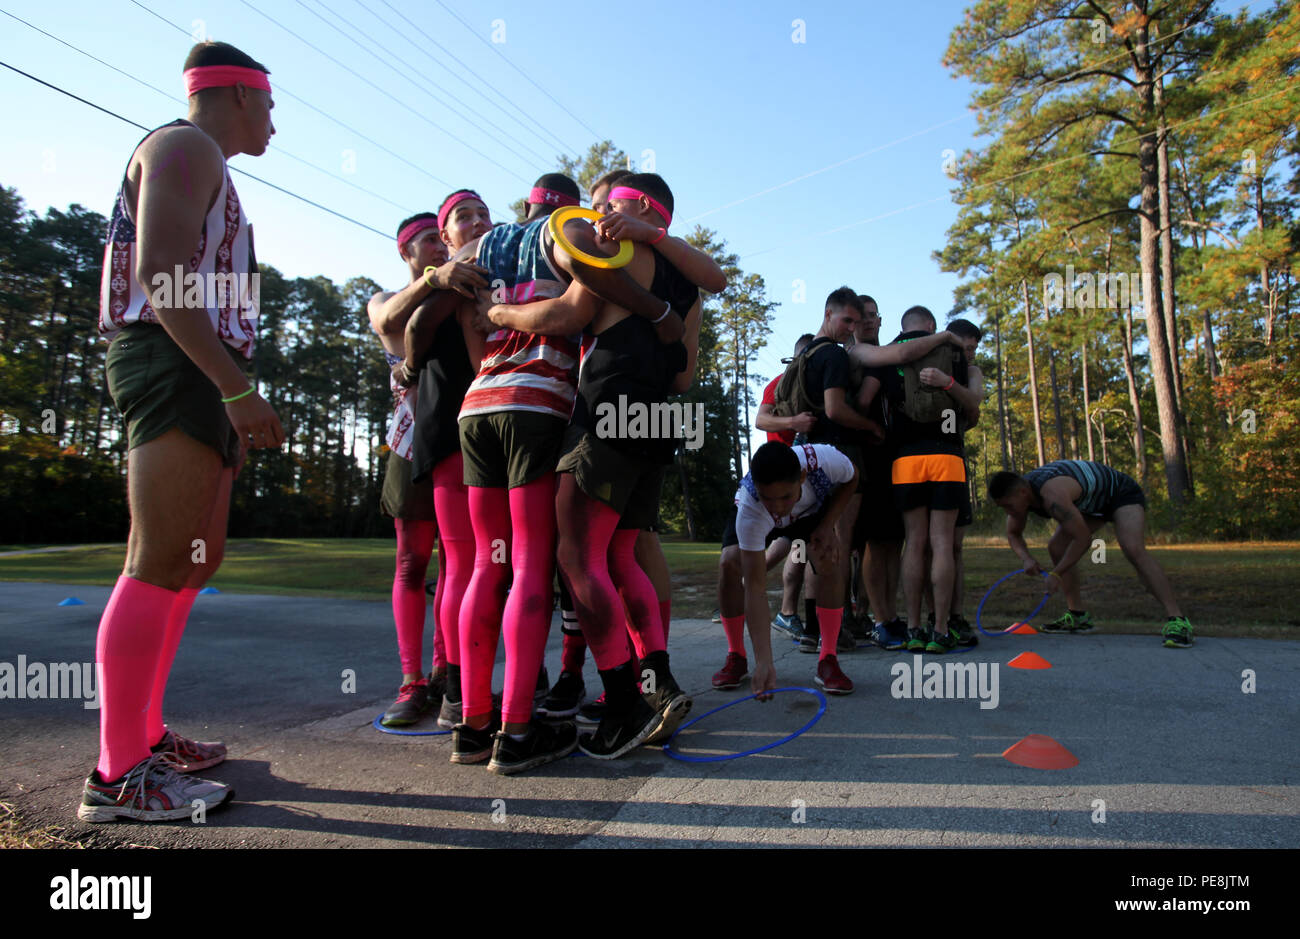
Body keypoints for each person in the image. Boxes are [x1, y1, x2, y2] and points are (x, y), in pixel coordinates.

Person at [82, 40, 281, 822]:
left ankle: (144, 733)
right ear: (236, 93)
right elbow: (160, 275)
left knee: (194, 563)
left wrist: (231, 380)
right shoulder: (183, 144)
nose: (274, 120)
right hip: (174, 360)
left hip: (201, 363)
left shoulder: (208, 161)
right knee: (158, 558)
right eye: (269, 103)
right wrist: (234, 388)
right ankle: (117, 774)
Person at [485, 172, 710, 759]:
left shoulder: (615, 246)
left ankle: (623, 702)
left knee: (575, 556)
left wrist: (504, 317)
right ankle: (655, 681)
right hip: (658, 420)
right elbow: (685, 374)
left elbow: (565, 314)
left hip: (608, 407)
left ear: (633, 209)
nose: (596, 211)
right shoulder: (689, 281)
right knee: (621, 553)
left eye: (607, 203)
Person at [367, 212, 487, 725]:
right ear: (405, 253)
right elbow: (388, 324)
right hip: (412, 438)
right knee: (412, 562)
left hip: (464, 430)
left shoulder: (470, 285)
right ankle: (410, 681)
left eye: (441, 242)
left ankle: (446, 674)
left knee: (458, 563)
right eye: (425, 243)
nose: (438, 249)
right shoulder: (386, 297)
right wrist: (435, 280)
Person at [398, 189, 492, 737]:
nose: (477, 222)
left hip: (493, 426)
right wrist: (409, 372)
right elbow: (410, 328)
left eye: (483, 214)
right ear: (446, 236)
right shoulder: (452, 275)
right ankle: (457, 689)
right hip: (452, 425)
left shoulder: (493, 269)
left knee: (491, 561)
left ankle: (476, 685)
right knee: (462, 561)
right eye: (463, 217)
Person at [855, 306, 974, 654]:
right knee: (941, 544)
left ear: (903, 327)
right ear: (933, 326)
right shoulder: (953, 353)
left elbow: (865, 400)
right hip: (947, 455)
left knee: (914, 542)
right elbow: (971, 409)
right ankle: (940, 629)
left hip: (905, 459)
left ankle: (913, 627)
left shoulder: (888, 354)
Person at [988, 462, 1195, 648]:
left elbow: (1083, 540)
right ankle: (1077, 615)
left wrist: (1056, 574)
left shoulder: (1052, 496)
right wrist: (1026, 558)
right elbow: (1013, 534)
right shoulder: (1021, 497)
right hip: (1090, 503)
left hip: (1119, 493)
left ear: (1023, 493)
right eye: (1002, 507)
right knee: (1056, 547)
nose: (1008, 511)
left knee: (1133, 549)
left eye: (1008, 505)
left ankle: (1177, 620)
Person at [715, 442, 859, 695]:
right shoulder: (751, 507)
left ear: (802, 477)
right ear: (756, 488)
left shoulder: (825, 461)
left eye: (785, 497)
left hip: (809, 514)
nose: (779, 507)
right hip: (759, 518)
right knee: (729, 563)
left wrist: (828, 524)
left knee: (829, 559)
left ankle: (828, 658)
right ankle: (737, 655)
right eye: (768, 498)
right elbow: (756, 588)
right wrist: (764, 662)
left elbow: (852, 477)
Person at [919, 317, 984, 646]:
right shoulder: (927, 360)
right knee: (927, 546)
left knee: (953, 547)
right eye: (964, 347)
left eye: (974, 347)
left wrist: (947, 384)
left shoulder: (971, 371)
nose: (969, 353)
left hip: (953, 459)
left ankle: (955, 616)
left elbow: (974, 405)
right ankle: (933, 618)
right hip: (921, 462)